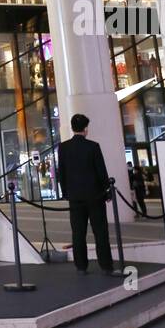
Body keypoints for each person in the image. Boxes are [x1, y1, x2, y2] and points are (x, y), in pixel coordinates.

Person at [56, 113, 114, 275]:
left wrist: (66, 192)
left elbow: (62, 173)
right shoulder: (93, 147)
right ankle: (106, 265)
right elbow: (101, 171)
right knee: (100, 231)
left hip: (75, 197)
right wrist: (106, 191)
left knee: (78, 233)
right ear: (86, 129)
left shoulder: (64, 147)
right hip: (95, 196)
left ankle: (81, 266)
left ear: (73, 128)